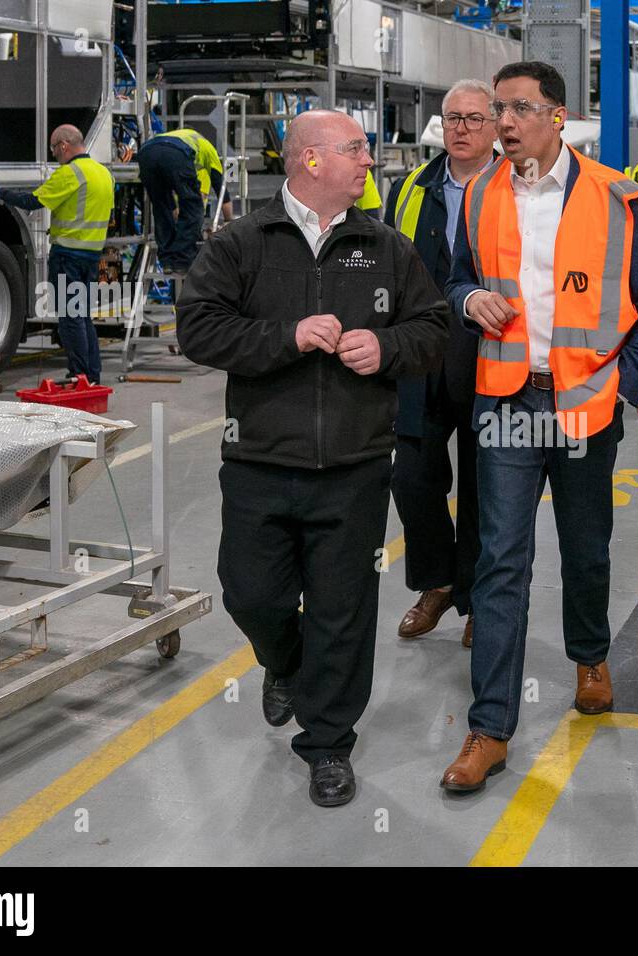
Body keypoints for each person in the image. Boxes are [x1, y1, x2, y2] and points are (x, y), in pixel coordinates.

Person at [176, 109, 450, 808]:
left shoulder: (383, 246)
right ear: (310, 160)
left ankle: (327, 744)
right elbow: (199, 329)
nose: (368, 159)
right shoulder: (243, 241)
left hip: (355, 465)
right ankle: (283, 661)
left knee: (342, 610)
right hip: (260, 460)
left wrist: (386, 349)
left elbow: (432, 327)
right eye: (356, 149)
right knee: (252, 593)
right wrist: (287, 336)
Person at [439, 61, 638, 793]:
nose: (504, 123)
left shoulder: (615, 196)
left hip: (582, 405)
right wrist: (468, 298)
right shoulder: (478, 193)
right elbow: (453, 278)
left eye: (519, 109)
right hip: (506, 399)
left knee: (586, 546)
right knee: (500, 560)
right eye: (498, 109)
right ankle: (489, 729)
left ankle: (589, 654)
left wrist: (625, 385)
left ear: (557, 116)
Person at [385, 79, 500, 648]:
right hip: (419, 355)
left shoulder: (515, 187)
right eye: (453, 118)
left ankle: (480, 598)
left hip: (491, 353)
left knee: (487, 484)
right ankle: (437, 582)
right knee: (412, 477)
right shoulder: (410, 188)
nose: (460, 128)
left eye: (474, 119)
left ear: (495, 125)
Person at [0, 124, 112, 383]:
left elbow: (32, 202)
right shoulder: (103, 173)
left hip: (69, 257)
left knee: (70, 319)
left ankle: (79, 375)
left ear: (64, 146)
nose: (55, 155)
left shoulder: (70, 173)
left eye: (54, 149)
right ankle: (92, 376)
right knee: (83, 318)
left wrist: (0, 193)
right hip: (91, 257)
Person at [136, 126, 231, 272]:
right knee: (194, 207)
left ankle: (167, 261)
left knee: (162, 207)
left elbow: (172, 207)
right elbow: (222, 190)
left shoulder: (182, 138)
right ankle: (182, 260)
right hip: (174, 154)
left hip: (146, 153)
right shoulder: (208, 150)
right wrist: (229, 221)